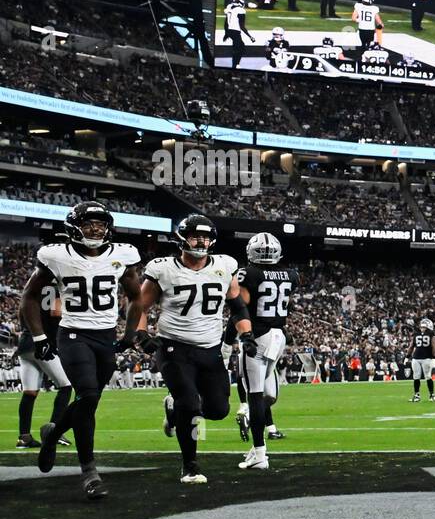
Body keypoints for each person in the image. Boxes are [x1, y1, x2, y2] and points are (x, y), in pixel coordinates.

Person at [24, 202, 142, 499]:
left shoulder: (122, 255)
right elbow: (29, 297)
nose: (95, 229)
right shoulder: (56, 255)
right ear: (74, 227)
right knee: (87, 395)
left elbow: (136, 297)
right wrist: (39, 338)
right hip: (74, 334)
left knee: (90, 400)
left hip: (105, 336)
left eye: (100, 224)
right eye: (89, 223)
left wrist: (130, 334)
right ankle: (89, 472)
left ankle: (53, 433)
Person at [124, 215, 254, 483]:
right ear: (182, 238)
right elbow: (140, 306)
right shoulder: (163, 269)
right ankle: (190, 465)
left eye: (205, 236)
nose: (201, 241)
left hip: (210, 348)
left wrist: (247, 334)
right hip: (174, 346)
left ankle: (173, 408)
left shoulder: (225, 265)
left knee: (218, 410)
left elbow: (237, 305)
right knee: (190, 404)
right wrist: (141, 333)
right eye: (195, 235)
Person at [234, 232, 297, 470]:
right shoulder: (291, 275)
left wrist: (236, 337)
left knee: (254, 394)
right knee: (267, 394)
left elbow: (241, 308)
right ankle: (257, 422)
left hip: (257, 336)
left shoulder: (249, 273)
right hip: (278, 336)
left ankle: (260, 453)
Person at [14, 274, 72, 449]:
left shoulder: (31, 289)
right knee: (66, 386)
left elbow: (21, 312)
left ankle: (24, 437)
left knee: (30, 392)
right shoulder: (57, 288)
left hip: (25, 344)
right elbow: (56, 311)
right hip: (42, 343)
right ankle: (54, 431)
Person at [221, 0, 256, 69]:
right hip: (235, 32)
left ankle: (236, 64)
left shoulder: (229, 7)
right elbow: (242, 27)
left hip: (230, 31)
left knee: (240, 47)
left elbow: (226, 22)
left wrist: (226, 33)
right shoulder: (240, 11)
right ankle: (235, 65)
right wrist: (250, 37)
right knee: (239, 49)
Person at [409, 318, 435, 402]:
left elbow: (433, 347)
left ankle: (431, 394)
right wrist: (434, 357)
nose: (422, 329)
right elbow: (434, 347)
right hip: (419, 358)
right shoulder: (431, 334)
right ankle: (418, 394)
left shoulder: (427, 334)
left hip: (424, 358)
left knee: (426, 376)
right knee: (417, 376)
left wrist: (433, 358)